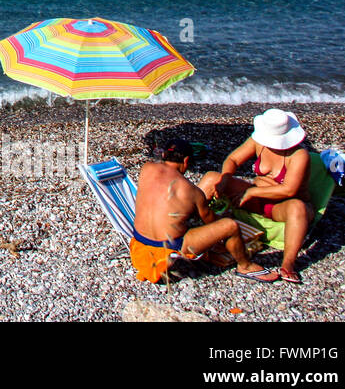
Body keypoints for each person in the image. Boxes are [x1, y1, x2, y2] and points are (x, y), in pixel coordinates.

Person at [131, 138, 278, 283]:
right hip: (170, 245)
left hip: (140, 238)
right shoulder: (192, 191)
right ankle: (246, 266)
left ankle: (171, 261)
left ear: (163, 155)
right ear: (186, 160)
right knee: (230, 226)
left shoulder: (147, 168)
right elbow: (209, 220)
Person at [199, 109, 313, 284]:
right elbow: (233, 160)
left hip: (282, 205)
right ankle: (180, 221)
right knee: (211, 178)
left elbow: (289, 190)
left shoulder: (299, 155)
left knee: (297, 207)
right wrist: (225, 178)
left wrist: (252, 191)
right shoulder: (259, 142)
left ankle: (288, 263)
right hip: (256, 198)